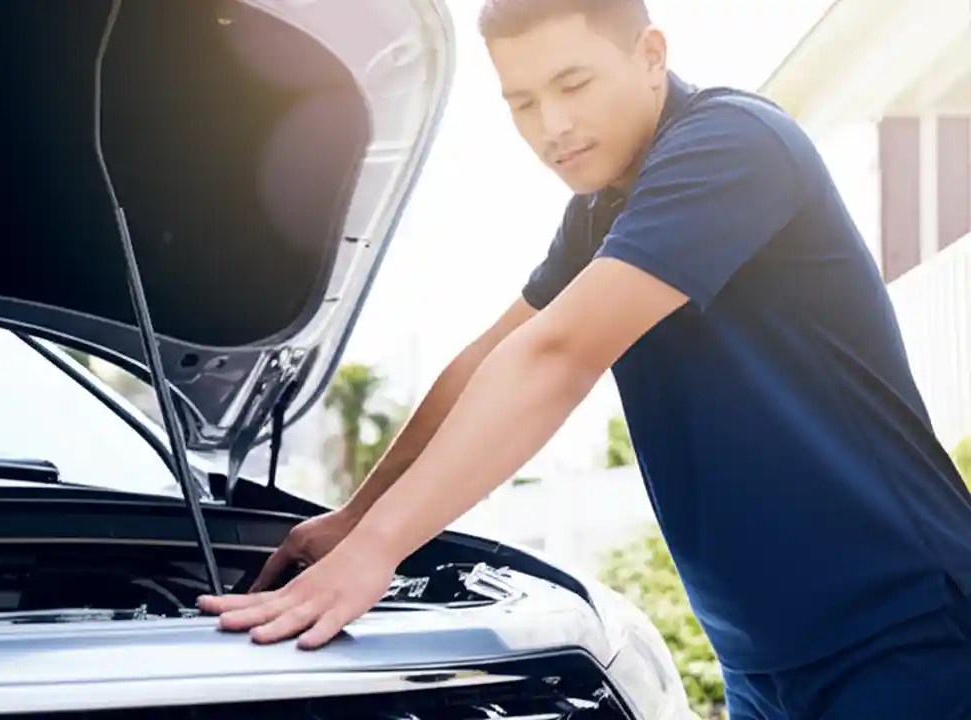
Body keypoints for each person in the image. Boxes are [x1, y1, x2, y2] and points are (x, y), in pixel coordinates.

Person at [198, 0, 971, 717]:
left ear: (650, 55)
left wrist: (377, 553)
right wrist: (356, 518)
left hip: (903, 630)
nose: (553, 126)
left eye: (574, 83)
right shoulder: (598, 211)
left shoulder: (735, 143)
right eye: (523, 103)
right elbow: (492, 356)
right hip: (763, 658)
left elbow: (557, 356)